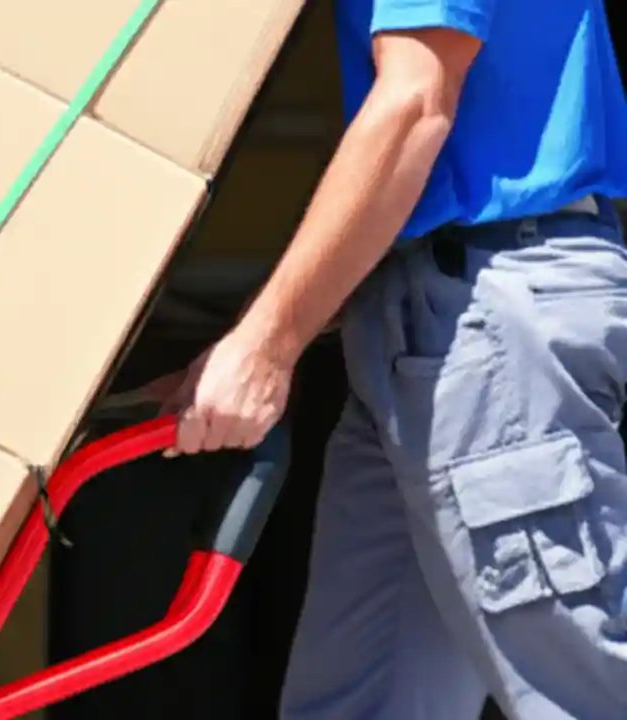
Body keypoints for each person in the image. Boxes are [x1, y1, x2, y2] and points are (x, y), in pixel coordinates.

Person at [162, 0, 627, 718]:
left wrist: (267, 343)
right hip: (423, 318)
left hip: (484, 316)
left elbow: (416, 103)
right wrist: (262, 332)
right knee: (362, 700)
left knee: (582, 692)